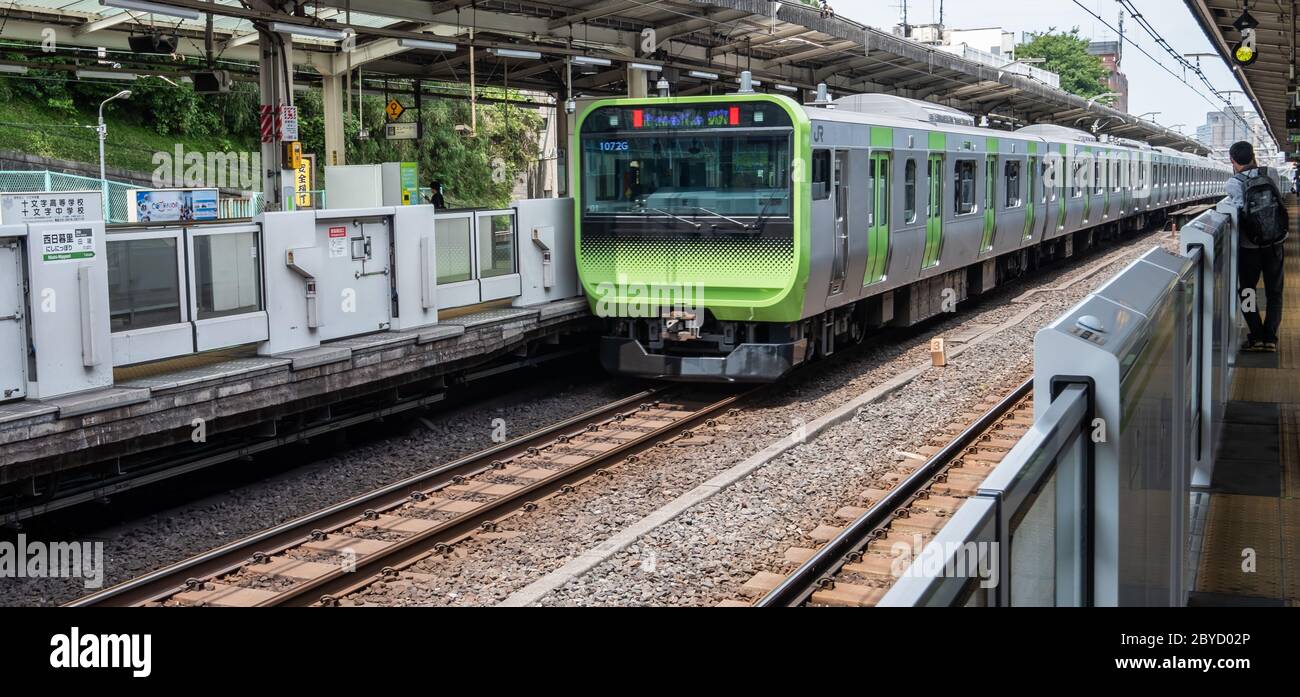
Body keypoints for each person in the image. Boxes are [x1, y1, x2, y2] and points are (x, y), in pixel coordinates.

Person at [1226, 141, 1288, 352]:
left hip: (1249, 247)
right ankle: (1270, 338)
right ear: (1253, 156)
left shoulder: (1233, 183)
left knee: (1247, 291)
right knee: (1274, 292)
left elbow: (1238, 212)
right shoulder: (1271, 172)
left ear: (1233, 161)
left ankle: (1257, 334)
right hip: (1274, 243)